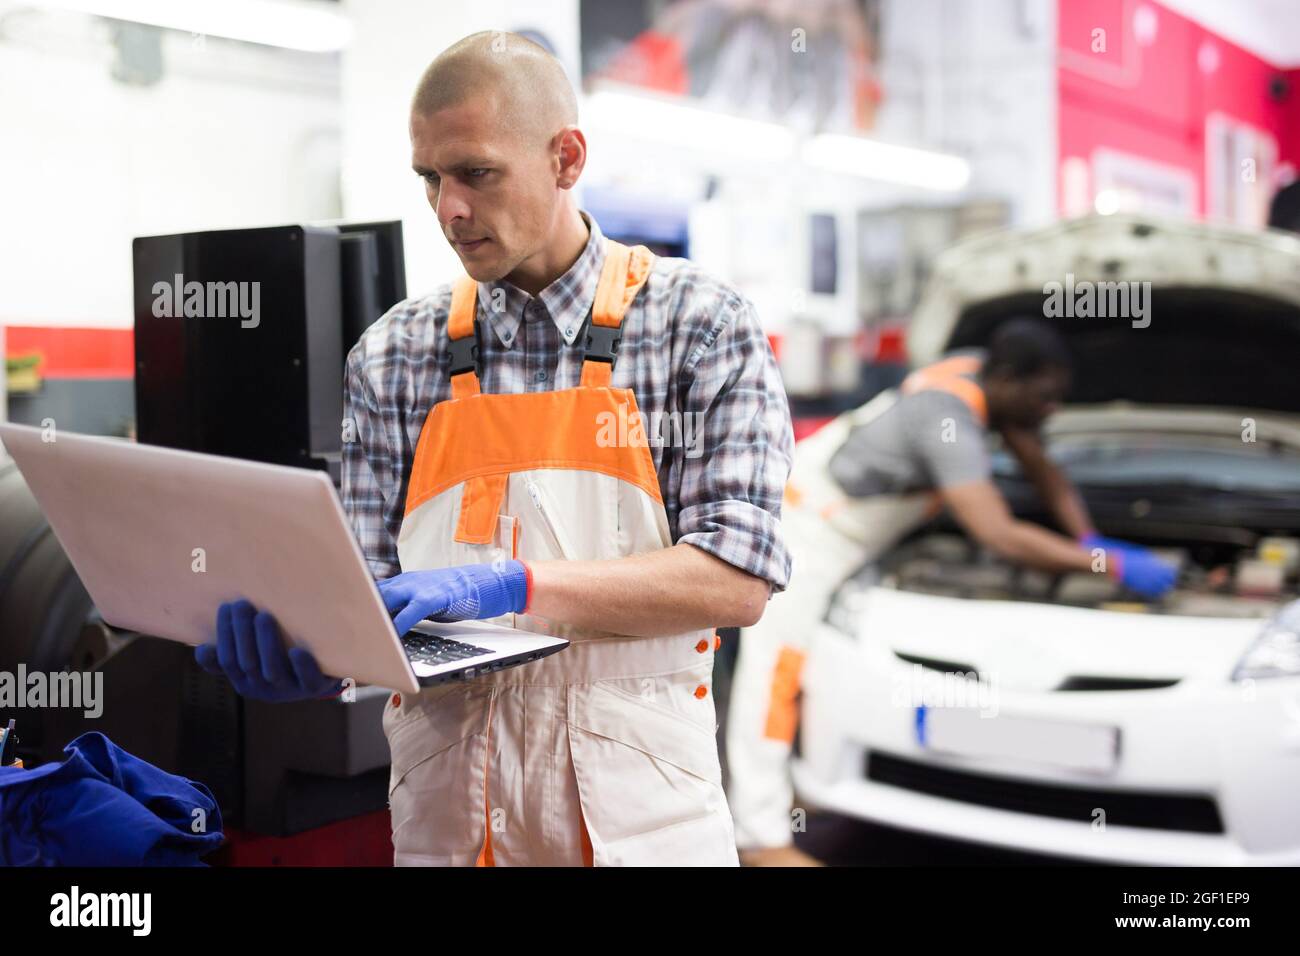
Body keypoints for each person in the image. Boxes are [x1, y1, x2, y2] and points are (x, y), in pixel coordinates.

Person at [196, 31, 794, 867]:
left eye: (475, 172)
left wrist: (509, 585)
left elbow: (735, 579)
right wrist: (313, 659)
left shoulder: (698, 328)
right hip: (449, 834)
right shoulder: (394, 354)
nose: (448, 209)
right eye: (429, 179)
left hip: (643, 835)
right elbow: (368, 600)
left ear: (566, 157)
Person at [726, 318, 1176, 865]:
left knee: (810, 671)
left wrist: (1086, 535)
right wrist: (1109, 564)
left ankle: (784, 790)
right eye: (1046, 397)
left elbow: (1041, 467)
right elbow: (998, 534)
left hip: (851, 542)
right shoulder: (947, 417)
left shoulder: (985, 374)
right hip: (808, 536)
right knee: (776, 675)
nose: (1053, 409)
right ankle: (760, 838)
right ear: (1010, 380)